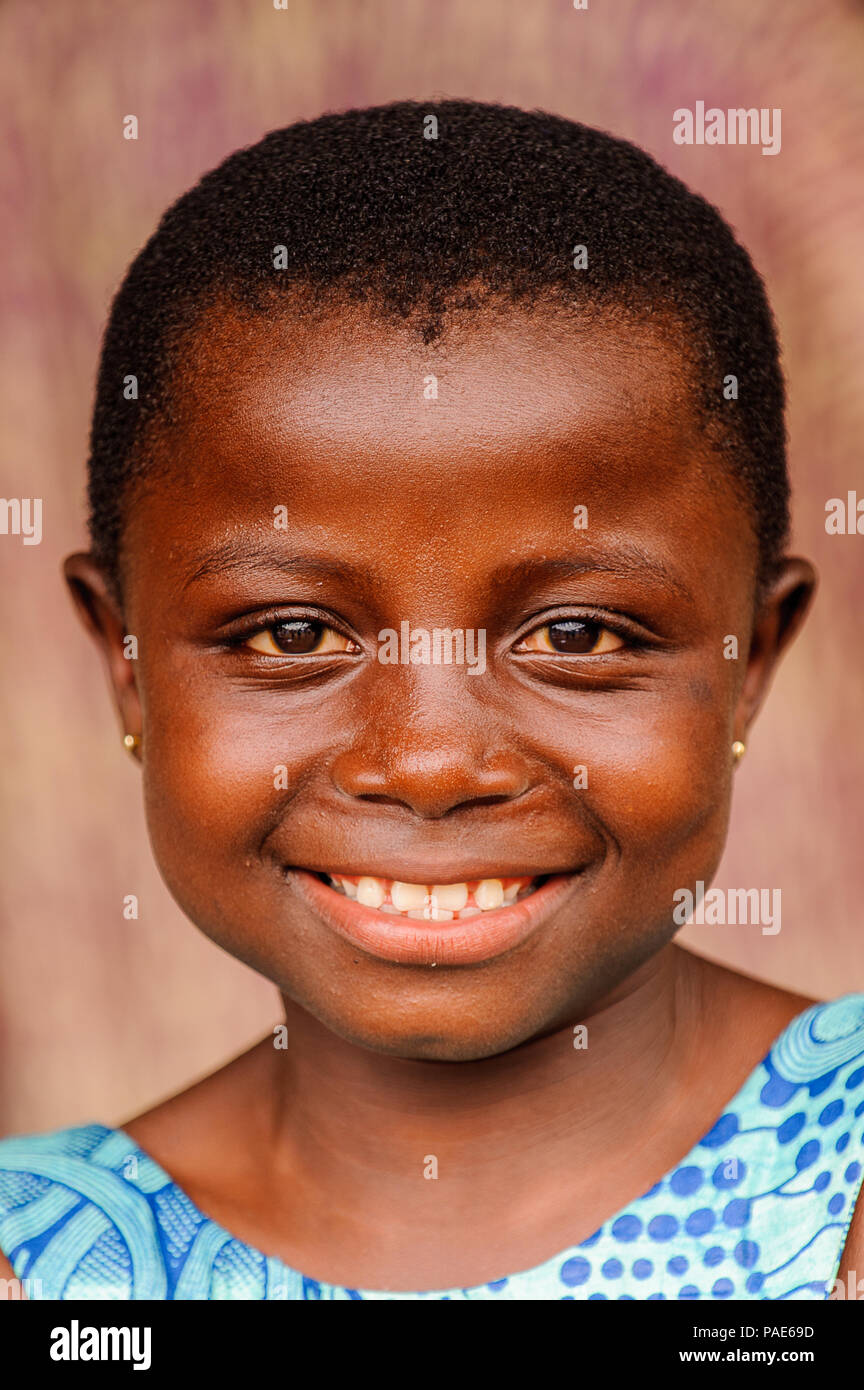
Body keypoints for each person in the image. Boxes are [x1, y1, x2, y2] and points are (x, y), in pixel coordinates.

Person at [2, 100, 861, 1301]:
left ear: (752, 658)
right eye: (293, 633)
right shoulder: (42, 1265)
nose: (431, 761)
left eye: (579, 633)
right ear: (126, 658)